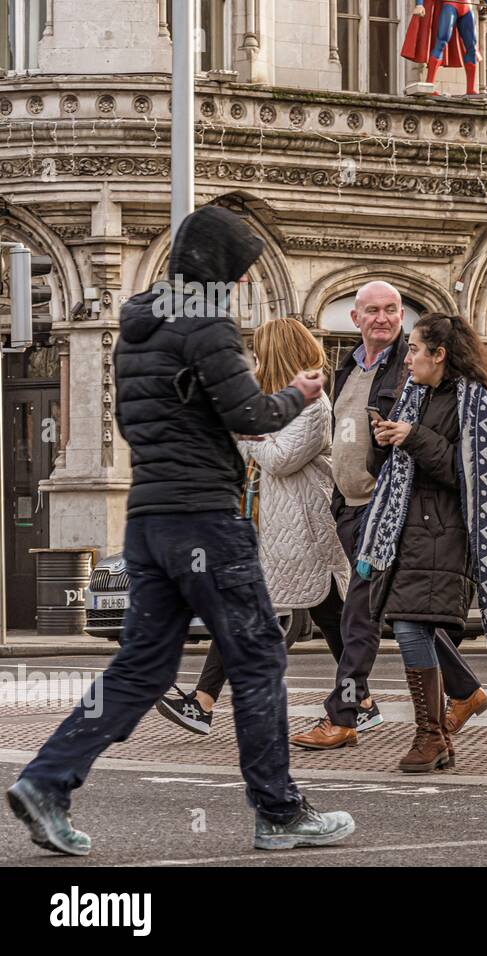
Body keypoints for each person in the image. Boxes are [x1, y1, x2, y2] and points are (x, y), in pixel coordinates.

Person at [5, 206, 354, 854]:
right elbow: (250, 415)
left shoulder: (136, 332)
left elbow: (142, 422)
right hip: (206, 519)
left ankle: (47, 781)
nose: (244, 287)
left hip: (148, 519)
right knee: (258, 658)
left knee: (141, 665)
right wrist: (300, 395)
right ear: (217, 269)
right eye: (240, 273)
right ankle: (279, 811)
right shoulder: (207, 324)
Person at [154, 318, 354, 736]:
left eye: (261, 354)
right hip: (274, 529)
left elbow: (280, 458)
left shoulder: (314, 406)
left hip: (304, 527)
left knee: (330, 615)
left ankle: (361, 698)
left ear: (278, 355)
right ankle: (203, 703)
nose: (256, 361)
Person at [357, 313, 487, 773]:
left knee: (412, 626)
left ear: (440, 355)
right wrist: (389, 436)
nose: (407, 357)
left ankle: (431, 733)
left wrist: (413, 438)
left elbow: (471, 475)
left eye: (414, 349)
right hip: (409, 530)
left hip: (446, 532)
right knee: (413, 626)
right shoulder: (415, 395)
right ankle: (446, 723)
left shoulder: (477, 404)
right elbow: (387, 466)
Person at [290, 281, 411, 750]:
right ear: (355, 319)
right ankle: (465, 692)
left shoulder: (408, 368)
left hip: (386, 509)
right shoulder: (347, 366)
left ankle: (342, 716)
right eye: (372, 311)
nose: (383, 318)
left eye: (392, 310)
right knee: (406, 616)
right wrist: (341, 502)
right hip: (351, 509)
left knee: (358, 615)